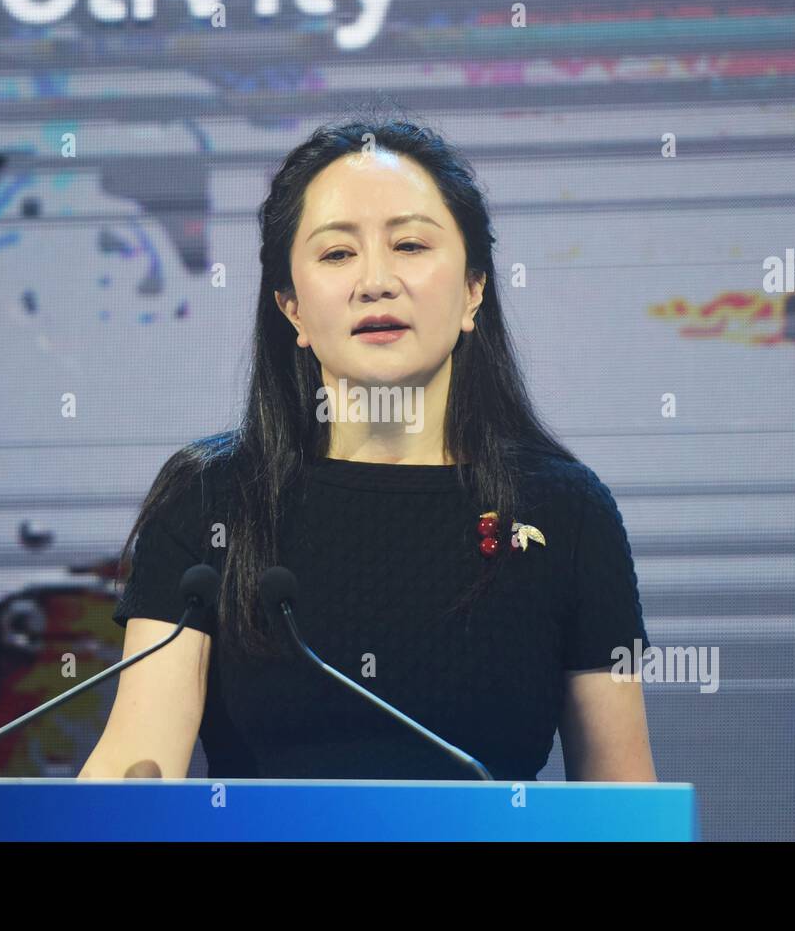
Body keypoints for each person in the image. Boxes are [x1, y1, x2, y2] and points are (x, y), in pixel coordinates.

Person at [79, 116, 656, 782]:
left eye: (410, 245)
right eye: (336, 254)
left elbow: (623, 805)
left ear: (474, 289)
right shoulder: (208, 500)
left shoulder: (565, 512)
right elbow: (135, 762)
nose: (376, 281)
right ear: (291, 306)